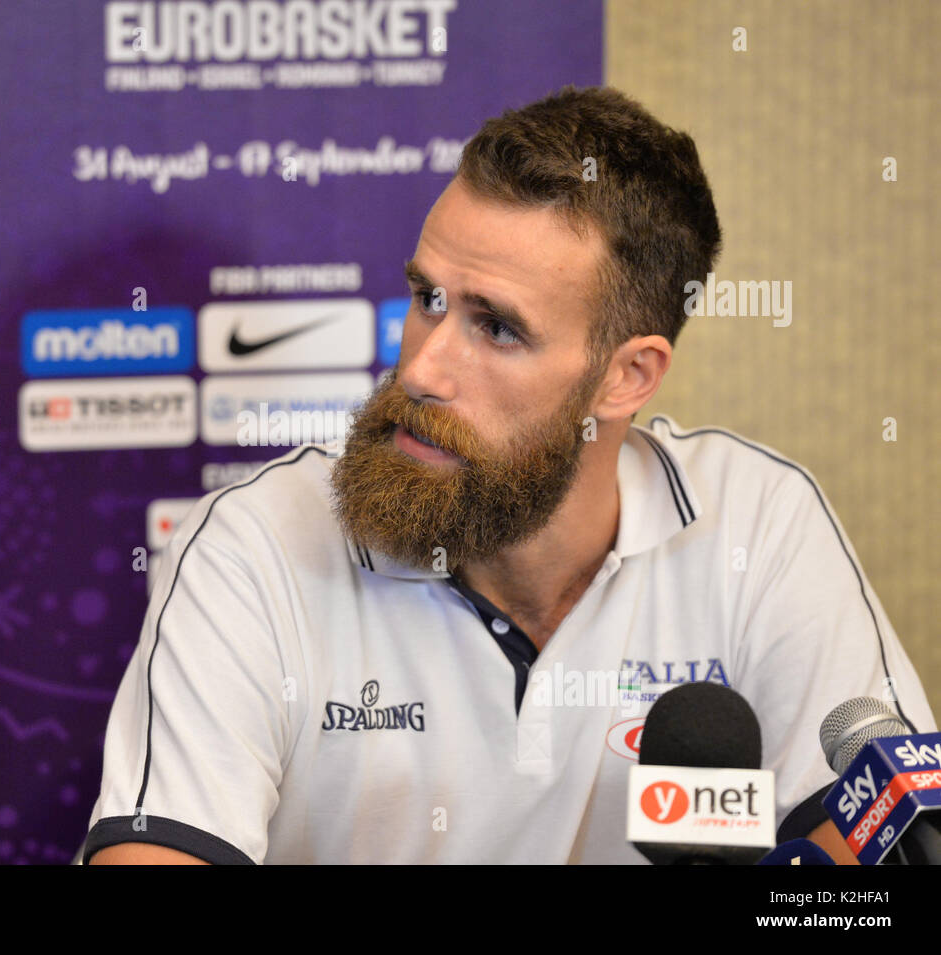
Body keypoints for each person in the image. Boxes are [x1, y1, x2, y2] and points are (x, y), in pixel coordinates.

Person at [81, 85, 936, 864]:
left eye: (497, 329)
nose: (422, 368)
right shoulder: (255, 547)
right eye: (429, 300)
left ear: (626, 376)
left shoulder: (759, 523)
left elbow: (890, 830)